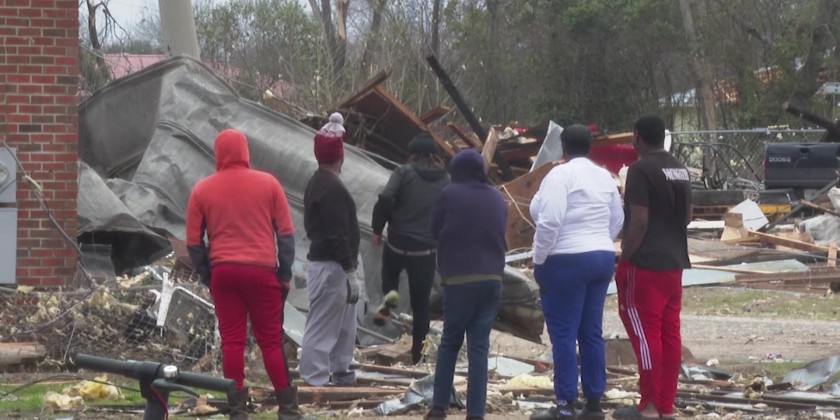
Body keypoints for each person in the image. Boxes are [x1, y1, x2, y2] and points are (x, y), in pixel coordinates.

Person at [186, 129, 307, 420]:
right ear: (245, 152)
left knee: (232, 341)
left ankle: (237, 411)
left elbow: (193, 242)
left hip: (224, 273)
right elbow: (287, 235)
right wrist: (284, 274)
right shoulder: (269, 184)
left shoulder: (202, 189)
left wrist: (208, 276)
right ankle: (288, 409)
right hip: (263, 271)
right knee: (270, 340)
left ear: (218, 153)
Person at [527, 125, 624, 420]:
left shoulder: (559, 175)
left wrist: (539, 258)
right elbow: (617, 219)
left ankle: (566, 404)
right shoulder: (604, 176)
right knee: (591, 331)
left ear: (563, 147)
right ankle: (594, 402)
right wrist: (598, 240)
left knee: (564, 334)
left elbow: (551, 221)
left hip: (565, 260)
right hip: (601, 256)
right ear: (590, 146)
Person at [613, 115, 692, 419]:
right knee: (669, 334)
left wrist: (625, 257)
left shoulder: (640, 169)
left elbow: (639, 221)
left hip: (645, 264)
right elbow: (686, 216)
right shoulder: (679, 168)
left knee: (646, 337)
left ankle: (648, 405)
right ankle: (665, 406)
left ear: (637, 138)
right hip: (674, 263)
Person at [425, 149, 508, 420]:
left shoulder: (450, 194)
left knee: (450, 342)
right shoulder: (497, 196)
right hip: (492, 280)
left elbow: (434, 230)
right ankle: (476, 412)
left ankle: (439, 407)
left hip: (459, 279)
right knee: (479, 348)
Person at [371, 132, 450, 364]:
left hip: (397, 244)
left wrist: (378, 229)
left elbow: (385, 198)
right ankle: (418, 357)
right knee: (421, 305)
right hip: (425, 252)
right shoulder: (446, 180)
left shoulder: (403, 173)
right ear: (434, 156)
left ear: (412, 154)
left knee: (389, 280)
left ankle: (391, 301)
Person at [299, 113, 362, 387]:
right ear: (340, 156)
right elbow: (337, 234)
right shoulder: (330, 188)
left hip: (333, 266)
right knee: (323, 324)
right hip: (332, 267)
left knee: (344, 324)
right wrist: (350, 270)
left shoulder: (320, 182)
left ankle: (340, 370)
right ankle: (314, 379)